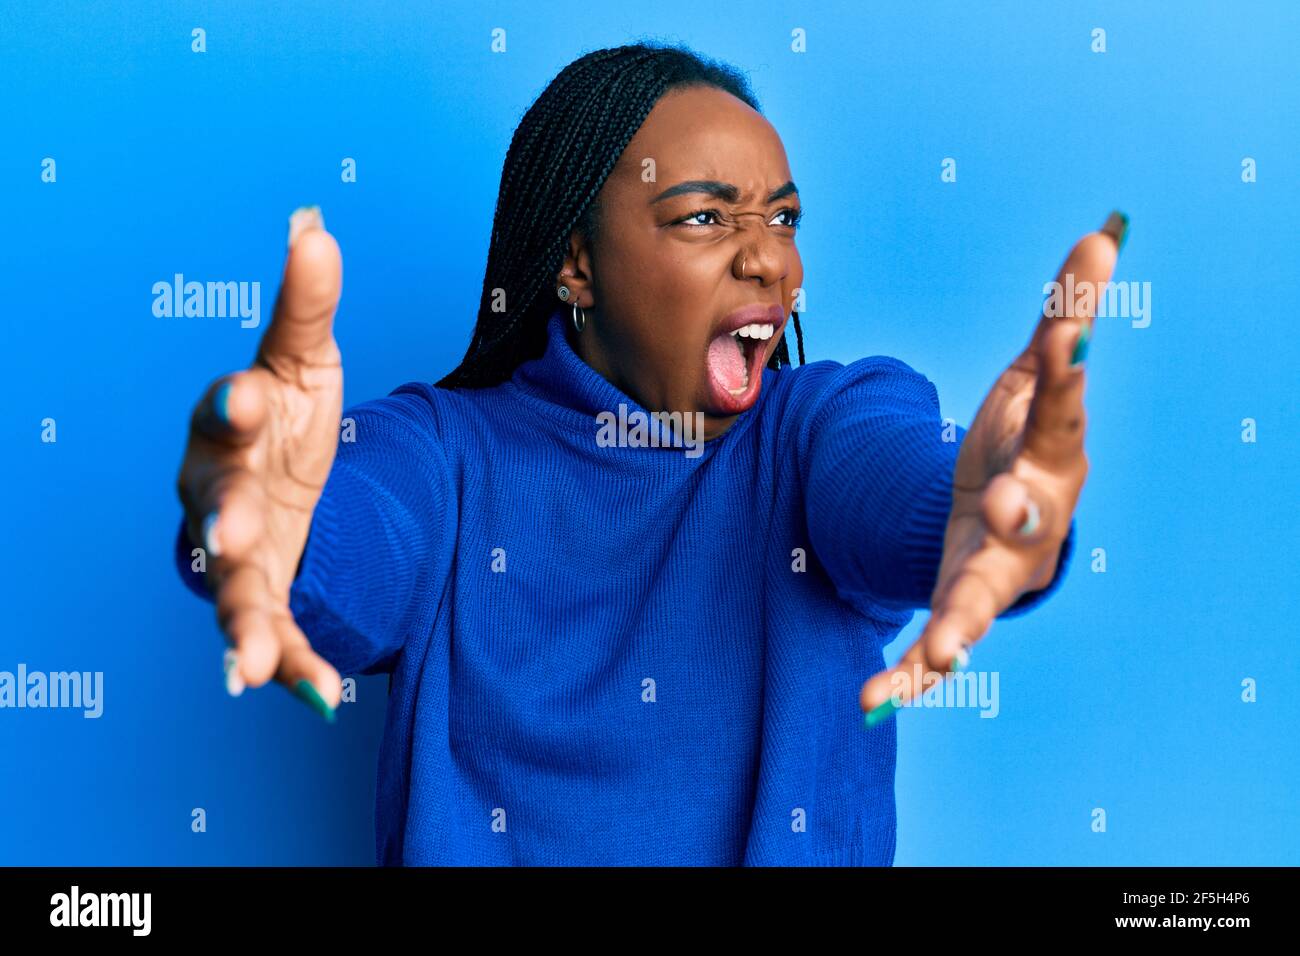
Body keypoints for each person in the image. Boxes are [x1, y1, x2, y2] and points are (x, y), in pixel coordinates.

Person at [173, 42, 1121, 865]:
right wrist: (268, 523)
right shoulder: (442, 455)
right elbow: (350, 539)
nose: (769, 261)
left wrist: (984, 504)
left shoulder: (821, 425)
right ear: (576, 262)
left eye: (783, 218)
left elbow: (902, 489)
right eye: (704, 218)